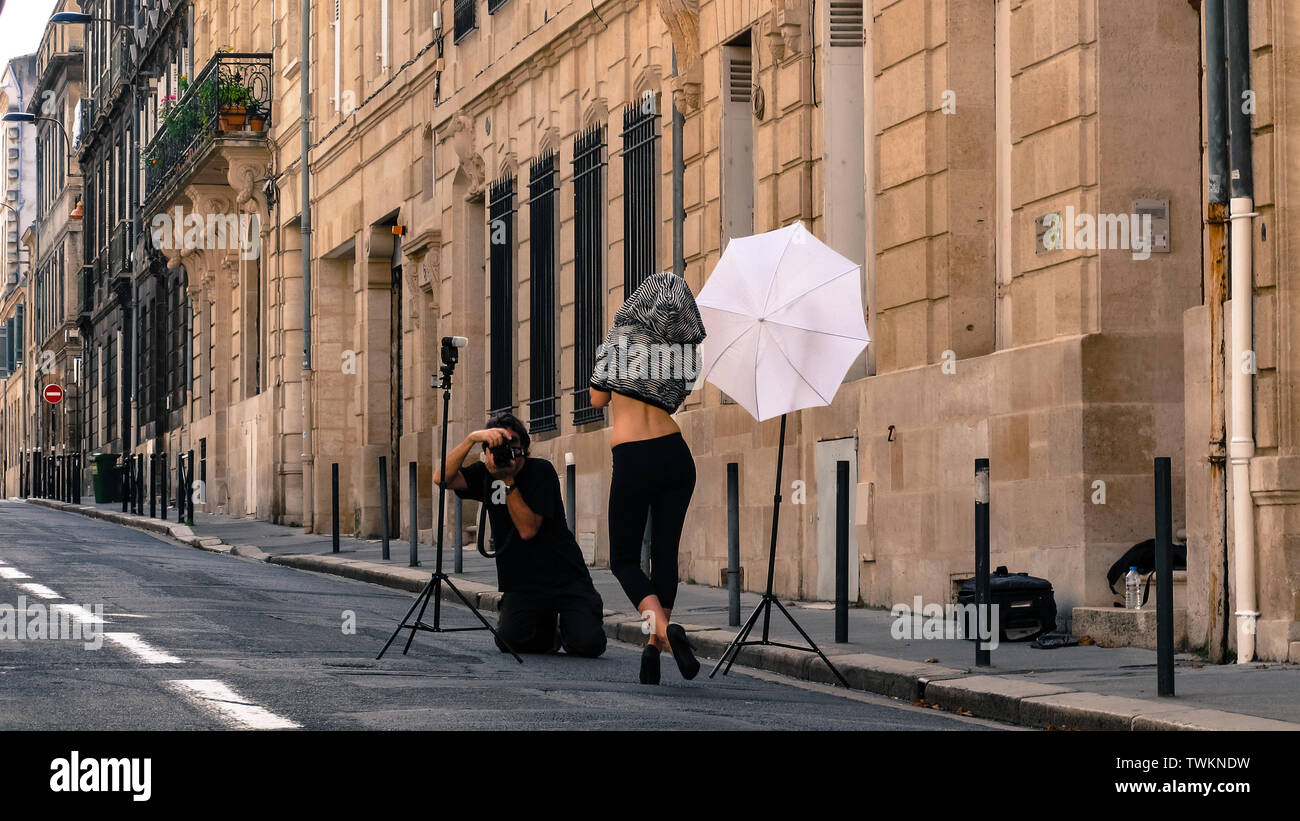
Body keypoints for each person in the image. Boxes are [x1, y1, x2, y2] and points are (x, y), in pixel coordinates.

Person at [589, 271, 707, 684]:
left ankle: (665, 633)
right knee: (664, 554)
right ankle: (653, 649)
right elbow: (677, 396)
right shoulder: (681, 349)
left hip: (633, 456)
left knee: (623, 559)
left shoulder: (621, 336)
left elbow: (597, 397)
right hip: (675, 454)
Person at [435, 412, 606, 658]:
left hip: (565, 578)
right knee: (511, 642)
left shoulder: (541, 471)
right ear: (487, 450)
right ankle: (547, 628)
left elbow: (528, 530)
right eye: (497, 444)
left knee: (587, 645)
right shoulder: (486, 472)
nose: (507, 450)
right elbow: (441, 478)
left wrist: (508, 481)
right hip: (522, 583)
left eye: (511, 443)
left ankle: (576, 617)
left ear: (524, 446)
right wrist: (471, 439)